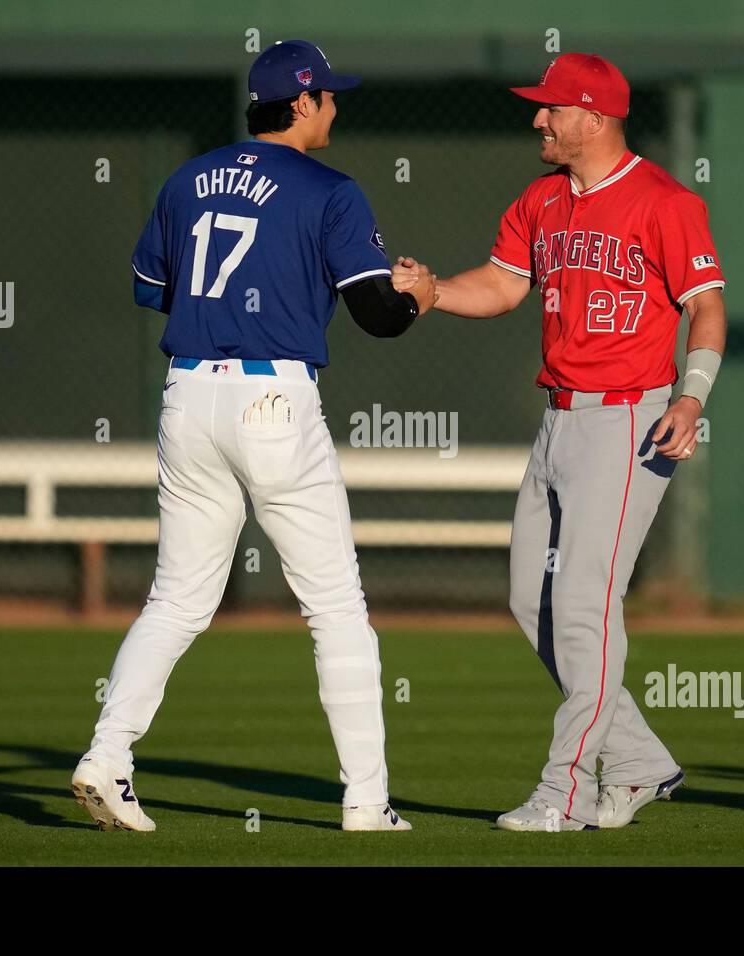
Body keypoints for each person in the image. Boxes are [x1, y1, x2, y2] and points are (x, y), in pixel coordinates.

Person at [72, 39, 435, 834]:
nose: (336, 106)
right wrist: (421, 296)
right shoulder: (329, 190)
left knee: (173, 599)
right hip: (273, 400)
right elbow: (378, 316)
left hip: (188, 395)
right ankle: (367, 803)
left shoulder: (187, 177)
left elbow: (154, 287)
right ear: (301, 104)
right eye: (329, 96)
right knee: (336, 606)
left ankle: (107, 754)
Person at [393, 53, 726, 831]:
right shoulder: (542, 201)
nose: (537, 120)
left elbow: (706, 308)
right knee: (529, 601)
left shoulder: (664, 202)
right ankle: (641, 762)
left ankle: (566, 792)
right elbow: (505, 286)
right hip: (560, 419)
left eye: (551, 108)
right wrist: (436, 292)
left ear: (596, 117)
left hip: (630, 419)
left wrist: (691, 395)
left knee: (583, 606)